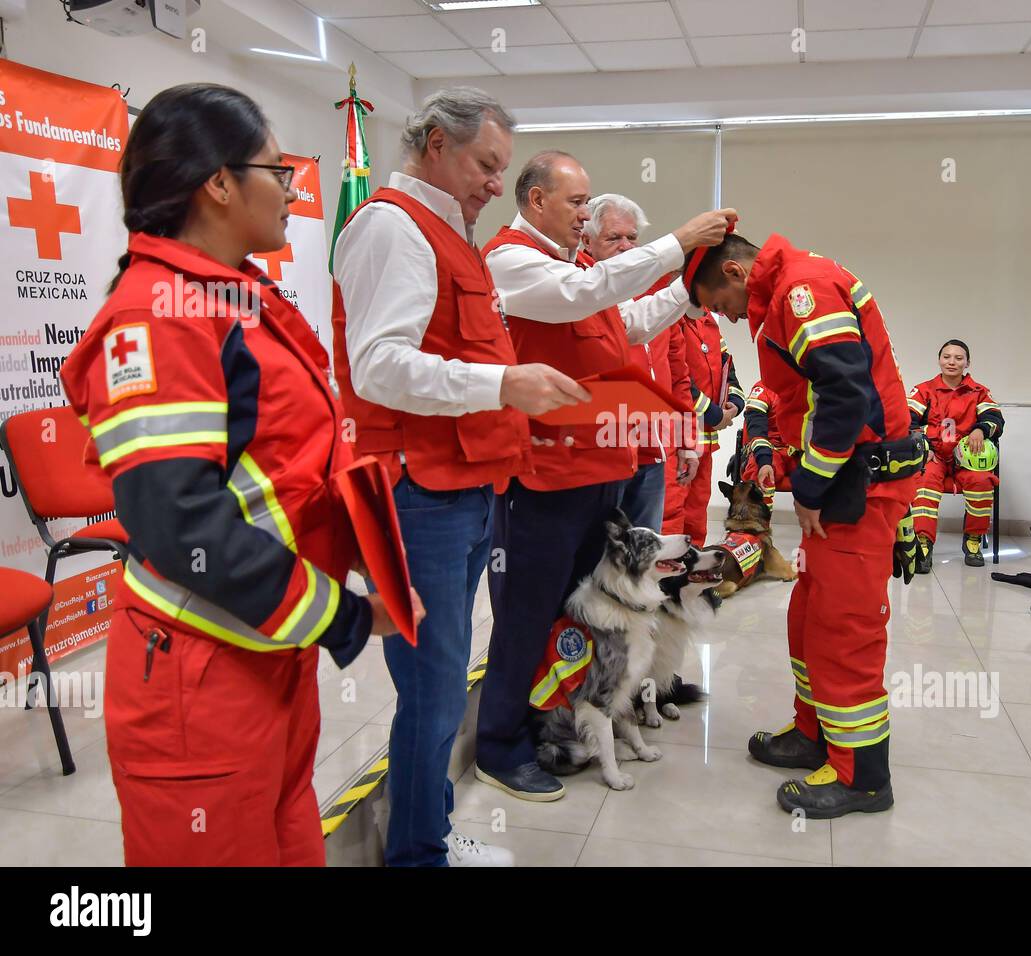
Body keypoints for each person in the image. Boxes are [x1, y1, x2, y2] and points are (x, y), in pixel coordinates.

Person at [59, 83, 420, 866]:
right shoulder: (158, 315)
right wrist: (346, 617)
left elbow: (285, 471)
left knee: (288, 841)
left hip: (261, 649)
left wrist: (368, 560)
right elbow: (183, 524)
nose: (291, 187)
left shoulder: (228, 298)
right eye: (276, 167)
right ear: (218, 183)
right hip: (200, 673)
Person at [333, 89, 587, 866]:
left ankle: (426, 832)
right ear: (435, 143)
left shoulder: (449, 234)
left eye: (501, 169)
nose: (491, 184)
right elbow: (377, 368)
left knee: (440, 686)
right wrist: (502, 388)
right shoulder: (392, 228)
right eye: (485, 165)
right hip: (420, 496)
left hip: (465, 488)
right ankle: (417, 854)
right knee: (435, 687)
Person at [475, 149, 735, 801]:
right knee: (527, 616)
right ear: (536, 202)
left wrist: (689, 286)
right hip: (543, 478)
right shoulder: (511, 259)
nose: (586, 214)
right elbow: (579, 299)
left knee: (582, 619)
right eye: (576, 202)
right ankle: (499, 746)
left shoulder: (577, 264)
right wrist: (678, 244)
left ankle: (562, 728)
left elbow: (625, 323)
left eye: (589, 201)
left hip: (597, 475)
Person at [687, 232, 925, 818]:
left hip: (860, 486)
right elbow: (805, 397)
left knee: (845, 625)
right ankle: (815, 733)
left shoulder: (802, 289)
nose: (727, 315)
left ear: (738, 273)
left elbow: (846, 394)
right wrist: (784, 465)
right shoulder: (786, 292)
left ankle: (862, 776)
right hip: (844, 481)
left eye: (720, 302)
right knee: (810, 613)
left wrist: (812, 484)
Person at [581, 193, 692, 531]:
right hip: (603, 454)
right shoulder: (574, 294)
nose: (626, 246)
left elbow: (679, 375)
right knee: (599, 559)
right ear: (587, 241)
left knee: (645, 558)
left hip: (654, 452)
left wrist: (687, 439)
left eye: (632, 238)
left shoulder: (657, 294)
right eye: (614, 238)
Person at [907, 339, 1004, 570]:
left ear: (967, 363)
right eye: (947, 357)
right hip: (934, 455)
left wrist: (981, 429)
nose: (952, 362)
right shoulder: (923, 390)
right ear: (939, 360)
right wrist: (922, 445)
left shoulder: (979, 392)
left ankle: (973, 540)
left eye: (958, 358)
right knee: (925, 479)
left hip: (967, 459)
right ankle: (923, 544)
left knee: (982, 481)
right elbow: (907, 422)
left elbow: (996, 419)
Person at [664, 304, 745, 544]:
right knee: (671, 513)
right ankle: (669, 575)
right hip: (677, 442)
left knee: (697, 512)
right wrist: (712, 413)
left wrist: (734, 401)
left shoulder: (708, 321)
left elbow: (726, 366)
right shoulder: (669, 318)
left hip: (705, 442)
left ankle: (692, 568)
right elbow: (676, 377)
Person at [740, 380, 797, 507]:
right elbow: (756, 429)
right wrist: (764, 461)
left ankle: (822, 525)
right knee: (759, 470)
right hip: (770, 451)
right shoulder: (763, 389)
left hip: (800, 452)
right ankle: (753, 524)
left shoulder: (810, 386)